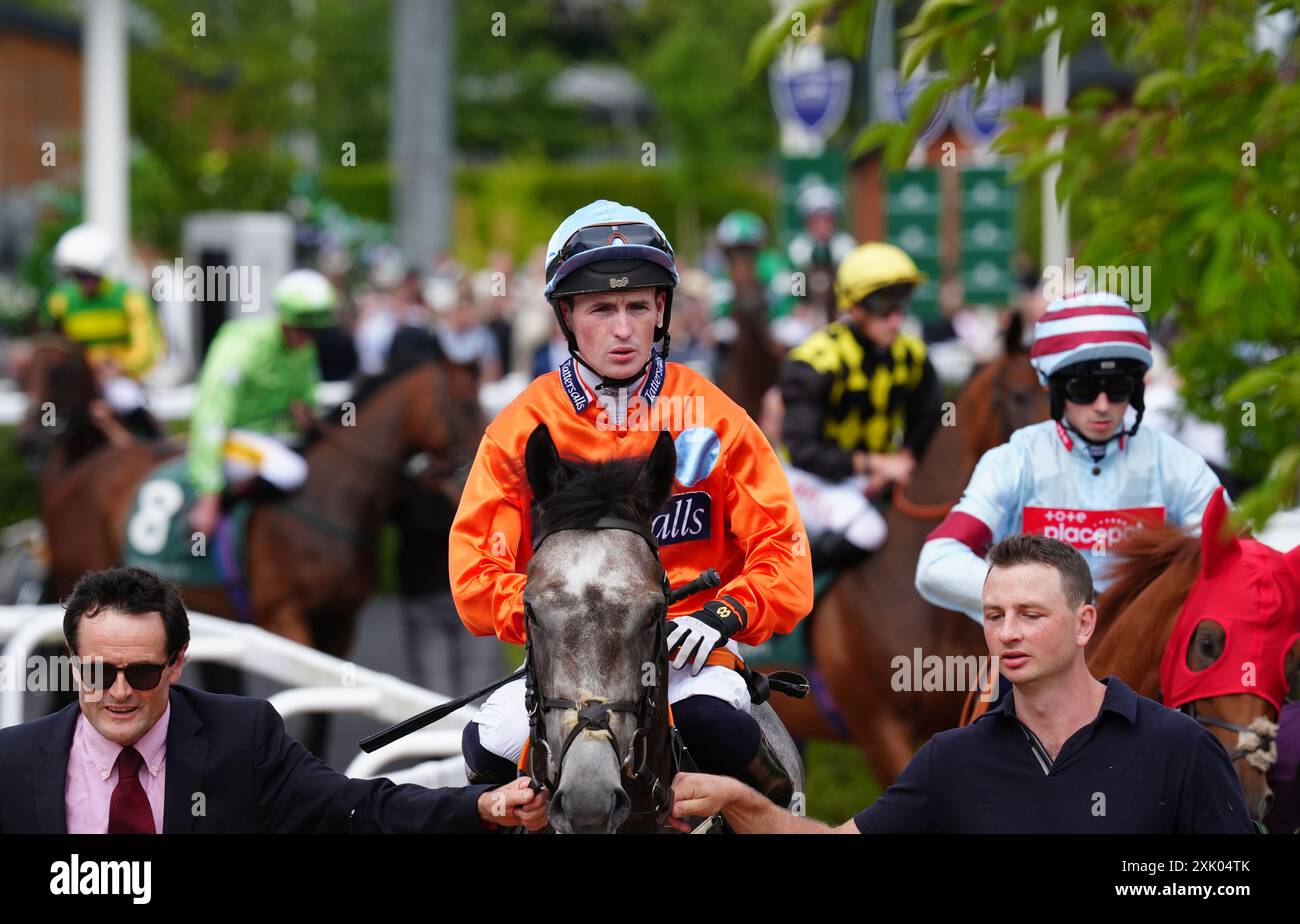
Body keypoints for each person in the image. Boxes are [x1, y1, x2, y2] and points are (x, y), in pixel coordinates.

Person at [449, 200, 813, 802]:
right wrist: (565, 617)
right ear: (567, 315)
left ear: (661, 310)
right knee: (486, 748)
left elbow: (785, 553)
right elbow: (474, 577)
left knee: (715, 728)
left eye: (637, 307)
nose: (623, 330)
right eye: (601, 309)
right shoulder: (520, 428)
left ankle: (784, 812)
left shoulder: (716, 418)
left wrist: (725, 615)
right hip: (566, 660)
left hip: (688, 652)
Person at [668, 534, 1256, 834]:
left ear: (1085, 624)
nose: (1007, 633)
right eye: (994, 615)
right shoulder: (952, 758)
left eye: (1031, 614)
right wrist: (739, 799)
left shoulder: (1180, 747)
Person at [0, 566, 546, 833]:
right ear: (73, 663)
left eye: (142, 673)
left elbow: (357, 810)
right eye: (98, 672)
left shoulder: (244, 738)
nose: (119, 692)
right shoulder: (12, 761)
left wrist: (480, 805)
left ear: (177, 662)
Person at [915, 292, 1223, 622]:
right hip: (1037, 648)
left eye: (1118, 388)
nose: (1102, 405)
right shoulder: (1014, 459)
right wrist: (1038, 598)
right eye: (1084, 389)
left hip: (1143, 647)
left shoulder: (1175, 462)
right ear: (1053, 388)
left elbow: (1233, 557)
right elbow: (936, 563)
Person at [777, 242, 943, 569]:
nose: (895, 320)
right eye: (884, 307)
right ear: (855, 308)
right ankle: (790, 587)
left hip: (872, 476)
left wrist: (905, 459)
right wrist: (873, 464)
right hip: (808, 477)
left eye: (901, 305)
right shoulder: (815, 361)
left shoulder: (913, 356)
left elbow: (929, 419)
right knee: (868, 532)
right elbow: (802, 450)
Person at [186, 270, 335, 537]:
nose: (307, 339)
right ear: (284, 319)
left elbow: (308, 400)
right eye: (302, 329)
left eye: (315, 332)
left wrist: (305, 413)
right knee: (291, 472)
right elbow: (211, 414)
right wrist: (208, 494)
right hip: (232, 437)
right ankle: (224, 509)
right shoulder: (243, 344)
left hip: (273, 439)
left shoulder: (306, 348)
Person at [40, 223, 165, 441]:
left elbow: (148, 349)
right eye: (77, 276)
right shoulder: (60, 300)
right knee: (46, 411)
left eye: (89, 276)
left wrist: (120, 366)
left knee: (126, 399)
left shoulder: (129, 298)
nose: (83, 283)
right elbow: (49, 345)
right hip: (75, 381)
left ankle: (151, 445)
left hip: (116, 380)